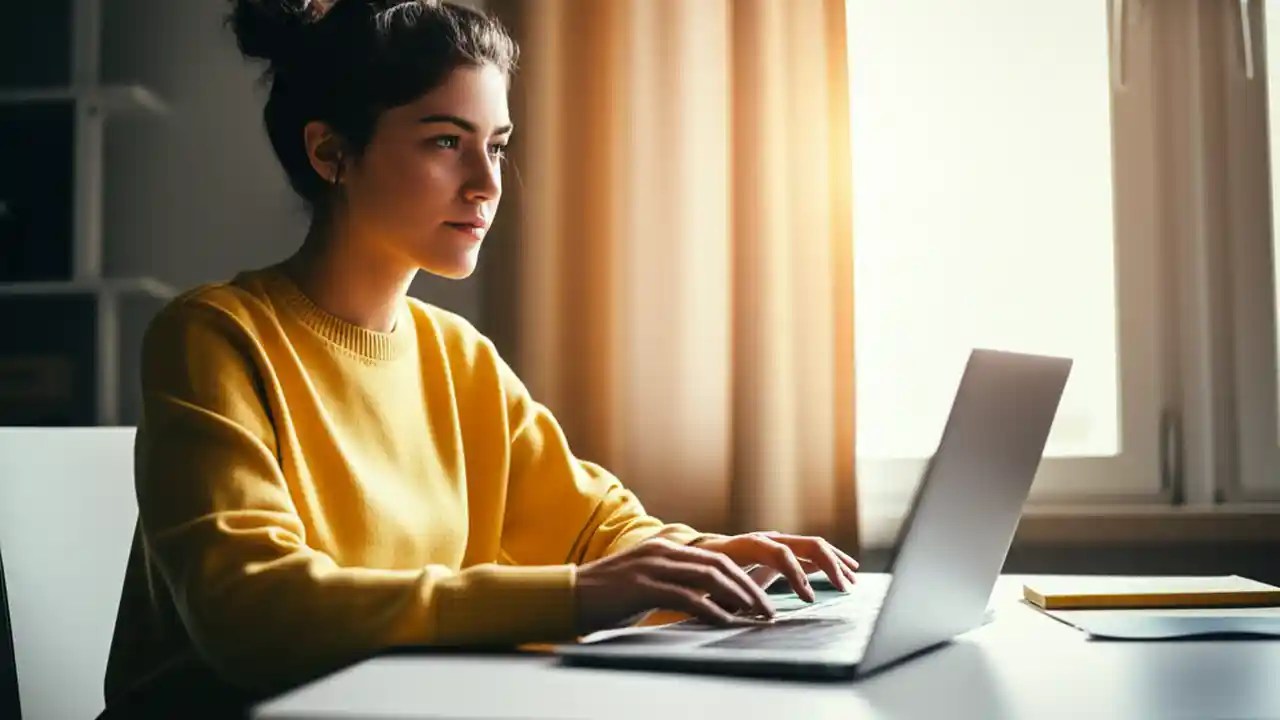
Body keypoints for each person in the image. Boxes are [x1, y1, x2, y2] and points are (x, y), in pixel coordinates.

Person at [100, 0, 859, 715]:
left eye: (496, 146)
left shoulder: (457, 356)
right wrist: (575, 594)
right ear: (330, 150)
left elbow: (596, 529)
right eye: (444, 141)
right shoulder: (214, 336)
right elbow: (252, 609)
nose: (488, 184)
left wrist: (715, 557)